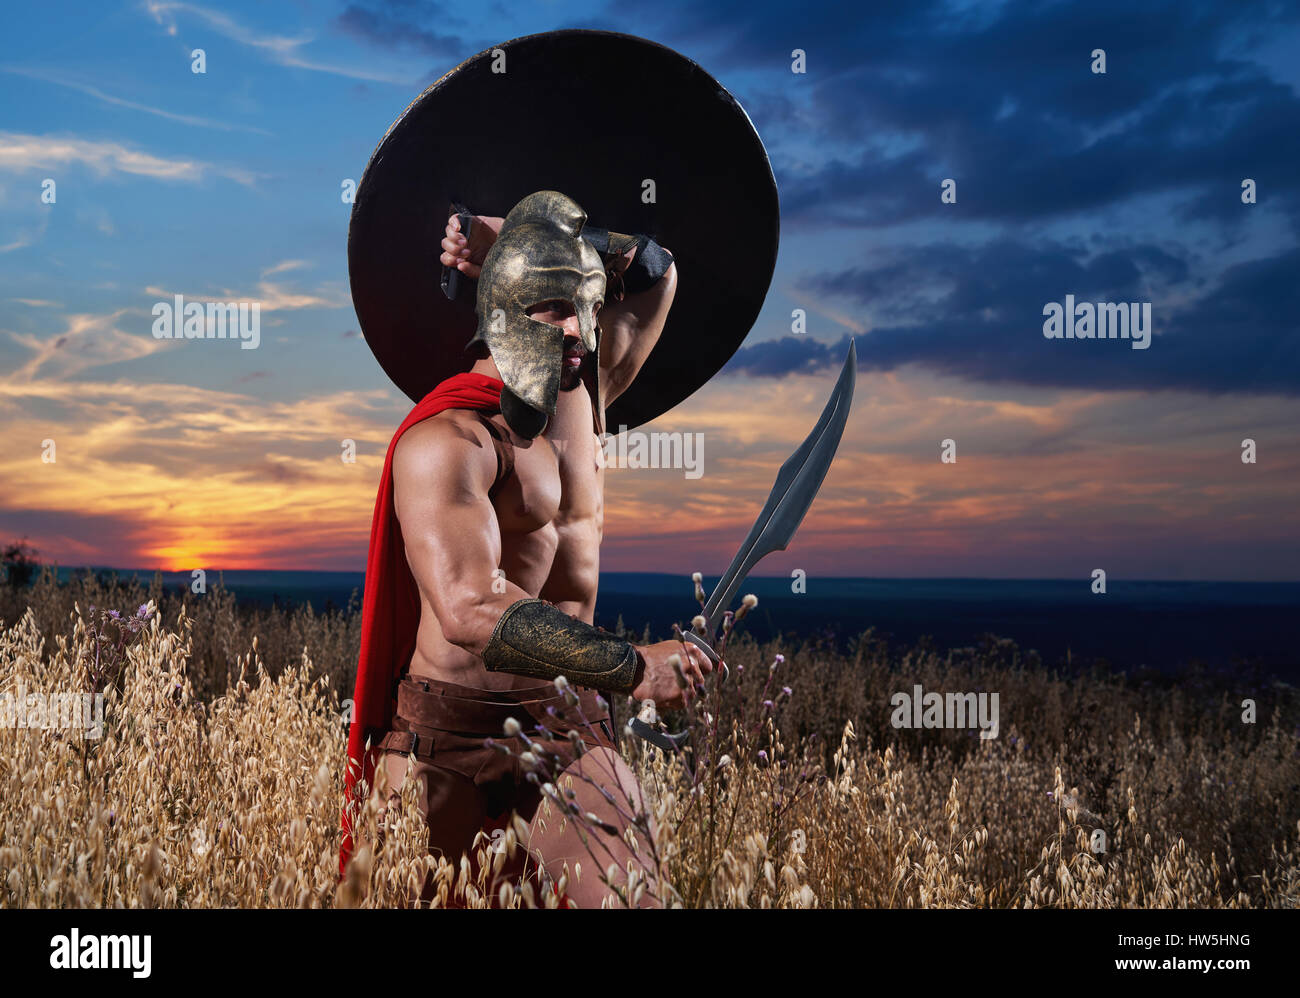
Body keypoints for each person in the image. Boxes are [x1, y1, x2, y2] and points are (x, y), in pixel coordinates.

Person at [342, 190, 712, 907]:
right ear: (501, 304)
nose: (578, 329)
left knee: (636, 901)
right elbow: (470, 607)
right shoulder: (448, 441)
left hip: (565, 724)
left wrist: (511, 234)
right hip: (446, 738)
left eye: (588, 308)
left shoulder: (587, 393)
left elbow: (660, 271)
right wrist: (634, 667)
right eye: (553, 306)